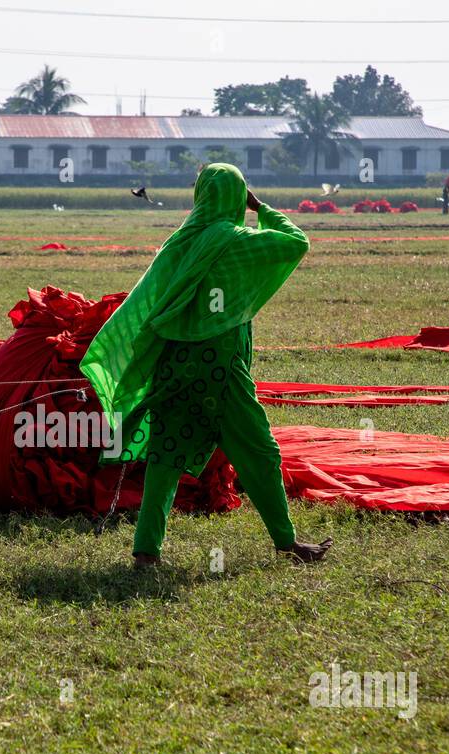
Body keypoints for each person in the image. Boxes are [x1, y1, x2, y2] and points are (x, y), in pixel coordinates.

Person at [80, 163, 332, 569]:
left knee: (166, 457)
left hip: (176, 366)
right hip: (219, 368)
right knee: (261, 453)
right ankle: (287, 542)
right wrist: (261, 207)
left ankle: (146, 551)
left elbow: (154, 304)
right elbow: (295, 241)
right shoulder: (236, 241)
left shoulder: (180, 242)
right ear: (237, 196)